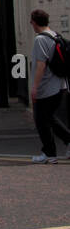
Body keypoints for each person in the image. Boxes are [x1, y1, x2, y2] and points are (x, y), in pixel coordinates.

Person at [29, 10, 70, 163]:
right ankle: (63, 145)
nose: (30, 24)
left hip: (47, 88)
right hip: (61, 85)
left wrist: (35, 87)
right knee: (49, 118)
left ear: (35, 22)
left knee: (41, 120)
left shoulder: (40, 40)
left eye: (31, 21)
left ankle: (49, 153)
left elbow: (41, 65)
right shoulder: (54, 35)